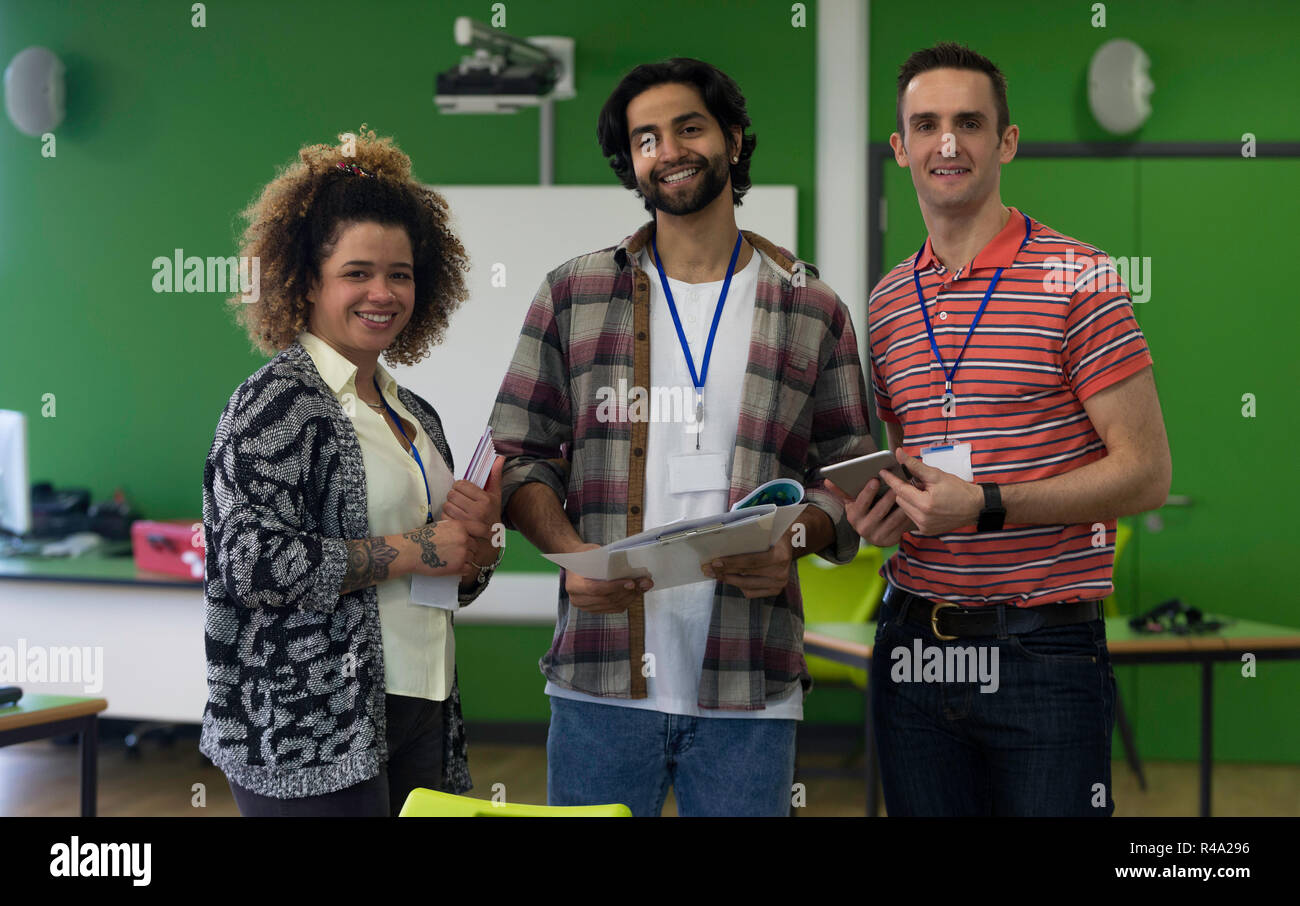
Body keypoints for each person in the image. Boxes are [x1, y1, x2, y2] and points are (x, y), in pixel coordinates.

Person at [490, 59, 873, 817]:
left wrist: (796, 541)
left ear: (731, 138)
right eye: (646, 138)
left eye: (688, 127)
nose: (668, 150)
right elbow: (519, 455)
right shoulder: (572, 294)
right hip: (600, 681)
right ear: (631, 163)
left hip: (750, 685)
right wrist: (571, 557)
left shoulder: (812, 306)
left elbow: (853, 477)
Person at [830, 43, 1172, 816]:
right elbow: (904, 465)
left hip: (1042, 654)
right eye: (926, 124)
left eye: (969, 123)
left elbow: (1147, 472)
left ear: (1006, 142)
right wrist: (880, 512)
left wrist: (985, 503)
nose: (946, 143)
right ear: (901, 148)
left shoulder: (1079, 279)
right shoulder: (885, 304)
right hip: (914, 643)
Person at [201, 127, 503, 817]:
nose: (384, 292)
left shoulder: (413, 410)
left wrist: (472, 553)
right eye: (357, 273)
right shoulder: (276, 402)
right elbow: (248, 565)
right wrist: (414, 548)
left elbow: (441, 574)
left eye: (400, 273)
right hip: (309, 724)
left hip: (422, 703)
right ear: (306, 281)